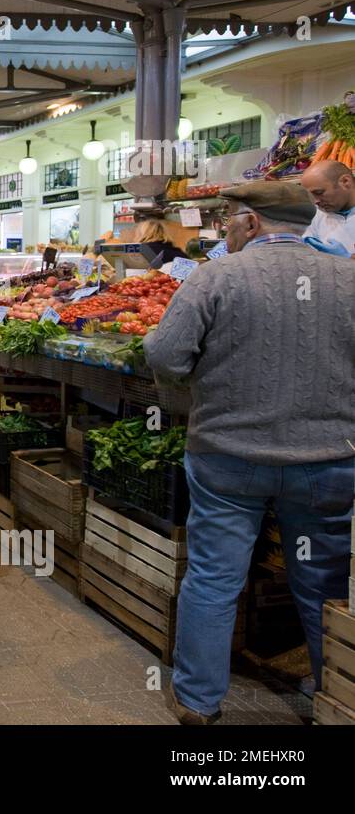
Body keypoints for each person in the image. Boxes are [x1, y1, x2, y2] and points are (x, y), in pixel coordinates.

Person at [143, 181, 355, 725]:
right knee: (321, 577)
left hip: (229, 459)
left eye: (231, 220)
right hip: (325, 463)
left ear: (253, 223)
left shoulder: (215, 277)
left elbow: (166, 355)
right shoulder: (349, 278)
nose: (225, 229)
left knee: (215, 576)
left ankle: (199, 701)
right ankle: (329, 690)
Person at [300, 159, 355, 256]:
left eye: (319, 193)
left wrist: (347, 258)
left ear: (345, 182)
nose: (316, 201)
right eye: (311, 196)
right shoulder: (315, 216)